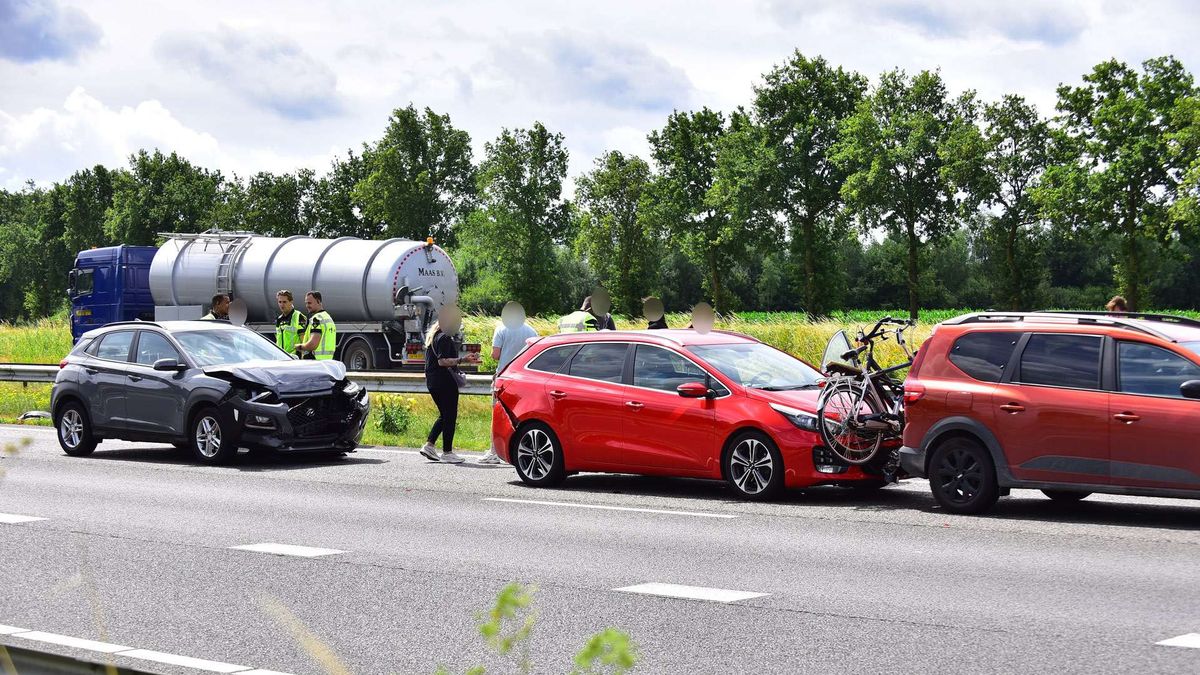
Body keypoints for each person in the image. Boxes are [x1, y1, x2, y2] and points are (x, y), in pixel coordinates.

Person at [478, 302, 537, 464]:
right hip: (525, 379)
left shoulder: (501, 329)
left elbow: (495, 355)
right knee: (520, 416)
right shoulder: (531, 330)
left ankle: (494, 451)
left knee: (498, 415)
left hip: (505, 377)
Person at [420, 320, 479, 464]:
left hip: (433, 381)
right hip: (444, 382)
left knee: (444, 415)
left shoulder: (433, 338)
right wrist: (462, 359)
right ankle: (447, 452)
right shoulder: (445, 337)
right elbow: (442, 361)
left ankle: (429, 445)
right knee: (450, 416)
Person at [297, 291, 336, 360]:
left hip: (315, 361)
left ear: (318, 301)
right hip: (326, 361)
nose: (307, 306)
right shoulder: (328, 317)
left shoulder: (316, 319)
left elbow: (313, 344)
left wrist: (300, 347)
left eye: (309, 303)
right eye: (306, 303)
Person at [274, 290, 308, 355]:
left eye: (284, 302)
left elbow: (304, 341)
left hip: (294, 358)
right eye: (279, 302)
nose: (282, 304)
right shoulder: (279, 319)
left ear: (291, 302)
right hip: (281, 357)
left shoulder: (299, 316)